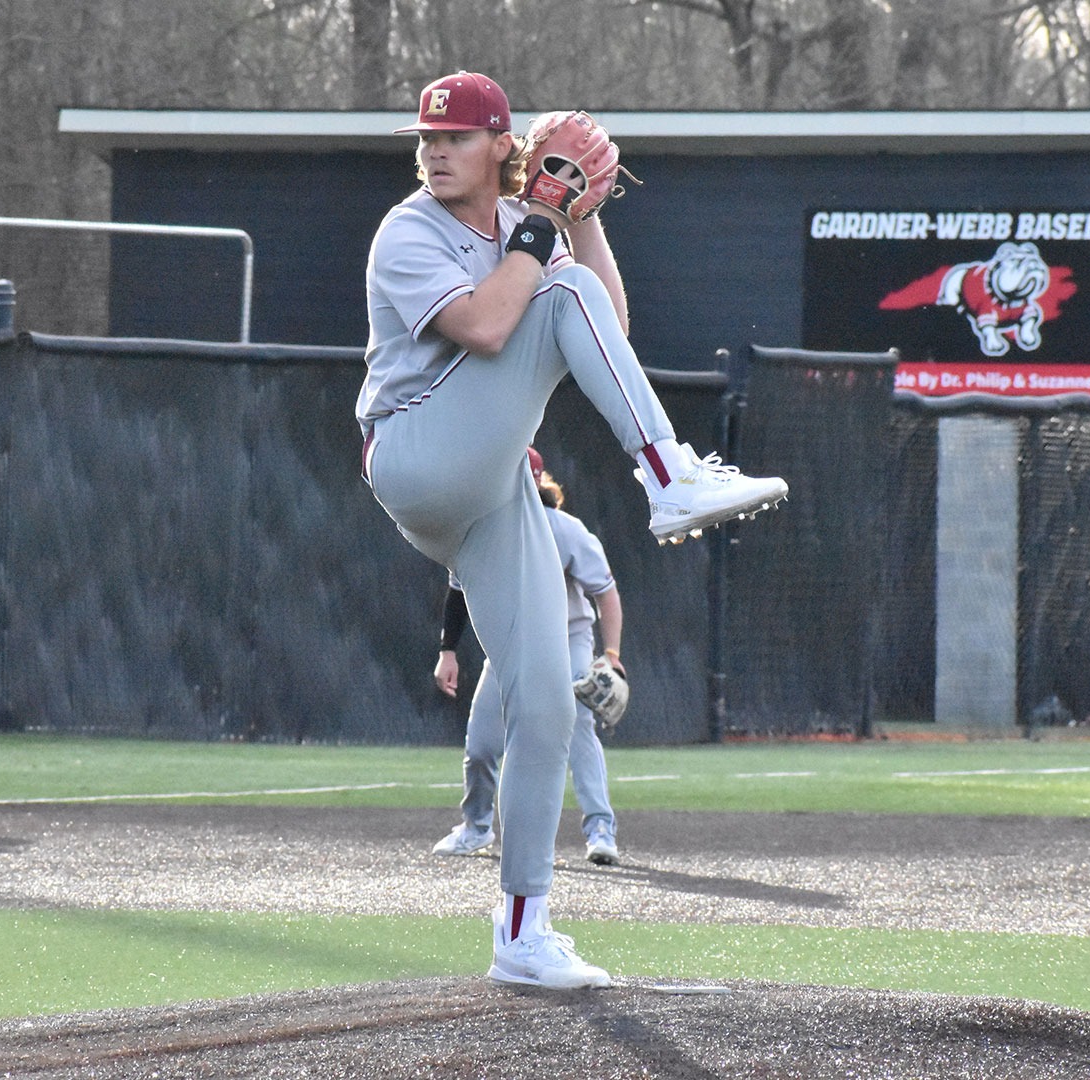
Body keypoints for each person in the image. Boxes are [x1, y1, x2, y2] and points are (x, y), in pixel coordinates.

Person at [359, 71, 785, 990]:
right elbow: (482, 325)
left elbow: (609, 325)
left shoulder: (525, 230)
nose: (434, 151)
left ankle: (521, 933)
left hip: (495, 487)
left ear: (499, 148)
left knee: (547, 705)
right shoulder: (409, 228)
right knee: (550, 301)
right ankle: (667, 476)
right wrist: (540, 229)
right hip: (417, 454)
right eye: (425, 139)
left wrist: (582, 215)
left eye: (457, 138)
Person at [432, 447, 624, 867]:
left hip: (566, 637)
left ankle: (600, 829)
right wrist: (448, 650)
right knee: (482, 744)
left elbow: (605, 594)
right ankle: (477, 827)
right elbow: (458, 591)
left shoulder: (565, 530)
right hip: (508, 641)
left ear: (535, 482)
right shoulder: (479, 530)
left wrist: (610, 655)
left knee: (576, 730)